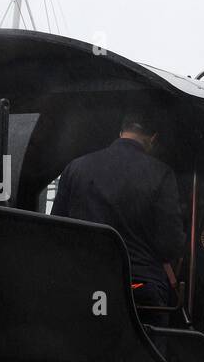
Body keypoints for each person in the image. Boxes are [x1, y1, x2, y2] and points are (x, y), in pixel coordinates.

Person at [52, 112, 188, 311]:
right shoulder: (161, 174)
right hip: (137, 285)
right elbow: (170, 244)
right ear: (153, 138)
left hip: (82, 283)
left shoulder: (76, 168)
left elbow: (57, 230)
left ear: (121, 132)